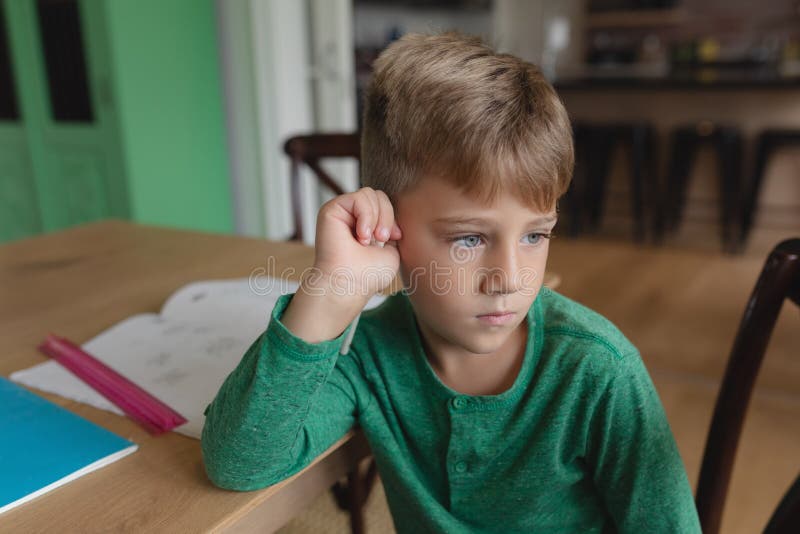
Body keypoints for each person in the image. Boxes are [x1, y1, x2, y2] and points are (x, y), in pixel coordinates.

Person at [201, 32, 701, 533]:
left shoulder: (598, 371)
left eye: (535, 235)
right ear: (386, 229)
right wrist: (330, 292)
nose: (508, 279)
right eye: (468, 240)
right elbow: (241, 463)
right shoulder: (372, 355)